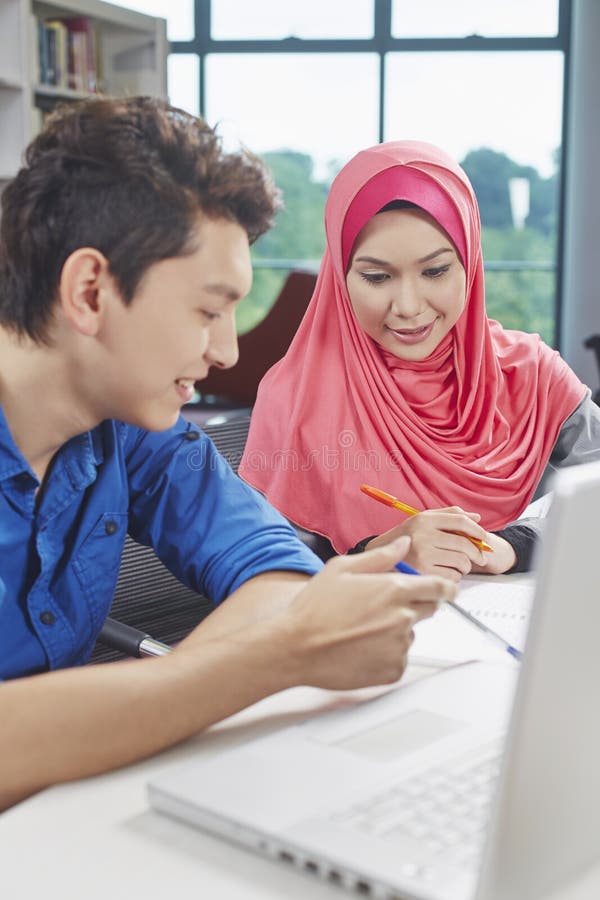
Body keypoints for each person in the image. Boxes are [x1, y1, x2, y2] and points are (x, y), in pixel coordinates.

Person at [0, 101, 454, 812]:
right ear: (89, 292)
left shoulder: (132, 426)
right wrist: (266, 662)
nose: (228, 351)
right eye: (209, 310)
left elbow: (276, 575)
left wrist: (148, 708)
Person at [240, 140, 600, 579]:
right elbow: (263, 574)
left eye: (435, 271)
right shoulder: (293, 399)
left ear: (469, 263)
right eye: (376, 276)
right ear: (339, 275)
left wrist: (514, 546)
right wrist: (375, 554)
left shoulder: (534, 375)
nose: (408, 307)